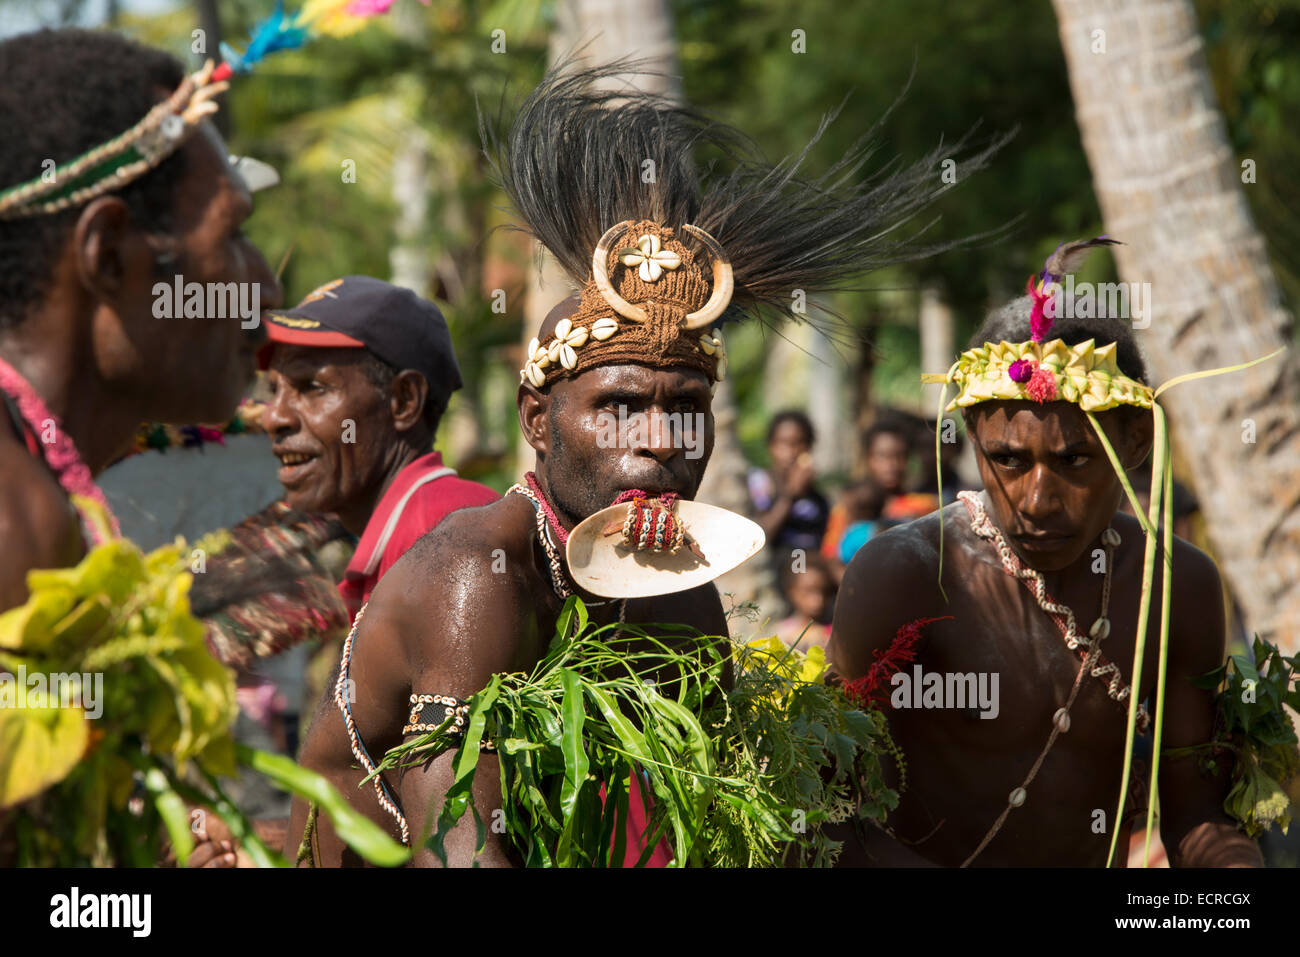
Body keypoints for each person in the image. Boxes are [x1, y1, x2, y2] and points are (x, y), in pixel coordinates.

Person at [287, 62, 991, 866]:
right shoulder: (479, 573)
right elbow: (465, 850)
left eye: (686, 408)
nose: (660, 440)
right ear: (538, 421)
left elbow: (745, 816)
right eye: (619, 406)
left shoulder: (678, 587)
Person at [828, 240, 1266, 867]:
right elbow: (817, 819)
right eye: (1007, 459)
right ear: (974, 439)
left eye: (1074, 461)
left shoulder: (1175, 584)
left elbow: (1198, 809)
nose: (1037, 501)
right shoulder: (907, 574)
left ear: (1135, 443)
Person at [0, 28, 285, 866]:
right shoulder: (14, 521)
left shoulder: (38, 486)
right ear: (108, 252)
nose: (264, 287)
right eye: (230, 236)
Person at [259, 275, 499, 620]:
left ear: (403, 401)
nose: (274, 417)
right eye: (273, 390)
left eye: (311, 387)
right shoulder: (411, 539)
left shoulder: (451, 538)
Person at [749, 410, 830, 555]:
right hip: (778, 564)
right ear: (771, 446)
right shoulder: (760, 482)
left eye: (799, 443)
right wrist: (790, 495)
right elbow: (761, 536)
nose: (792, 452)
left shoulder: (814, 493)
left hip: (808, 561)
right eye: (783, 443)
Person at [774, 551, 837, 652]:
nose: (818, 599)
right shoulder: (782, 633)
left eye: (823, 591)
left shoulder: (831, 633)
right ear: (791, 591)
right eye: (808, 591)